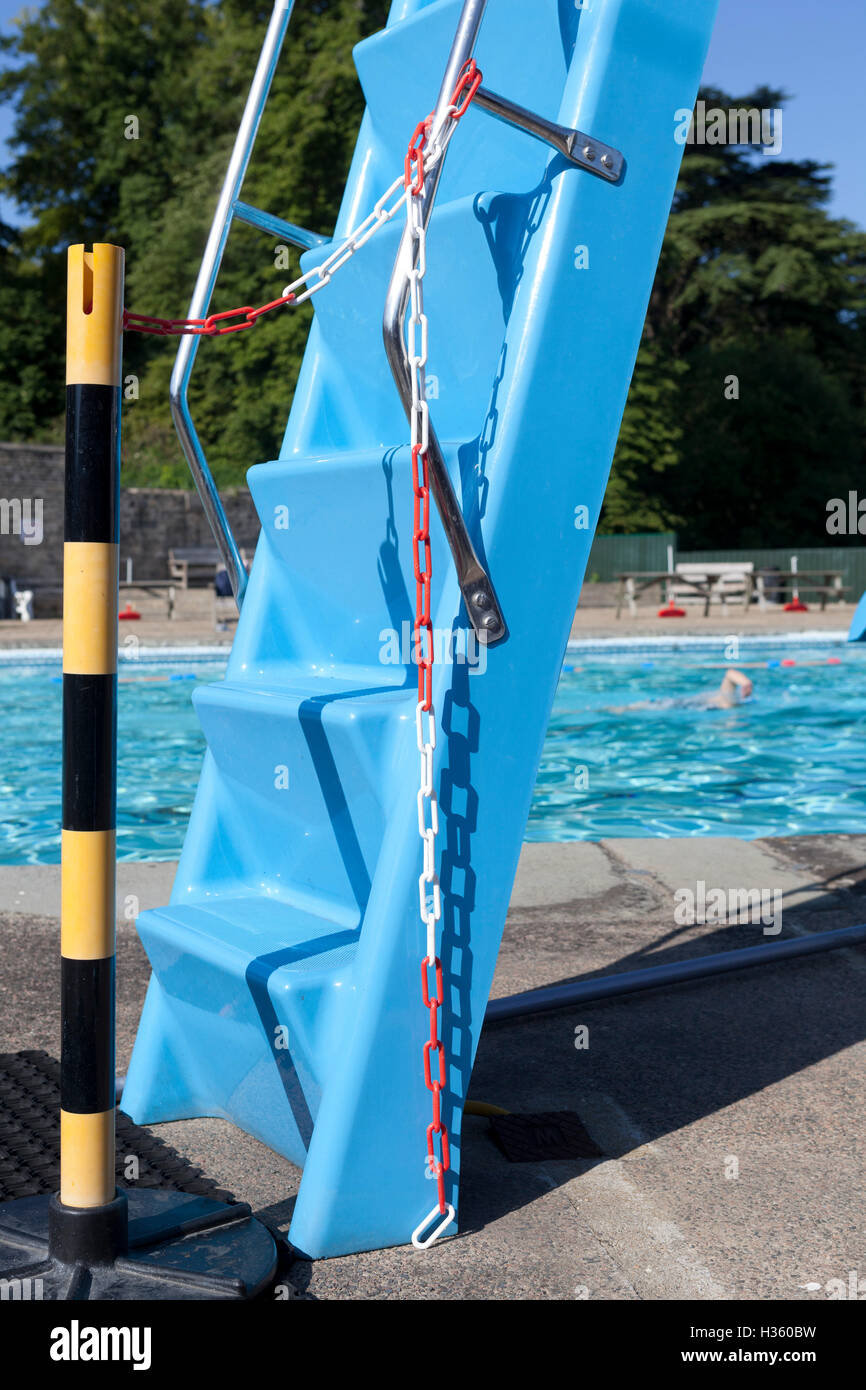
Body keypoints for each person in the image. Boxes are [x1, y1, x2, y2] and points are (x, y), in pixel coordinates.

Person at [610, 668, 754, 713]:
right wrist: (746, 683)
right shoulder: (729, 701)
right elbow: (729, 673)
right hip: (683, 704)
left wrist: (746, 683)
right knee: (641, 707)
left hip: (684, 703)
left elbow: (729, 674)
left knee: (641, 706)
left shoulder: (730, 698)